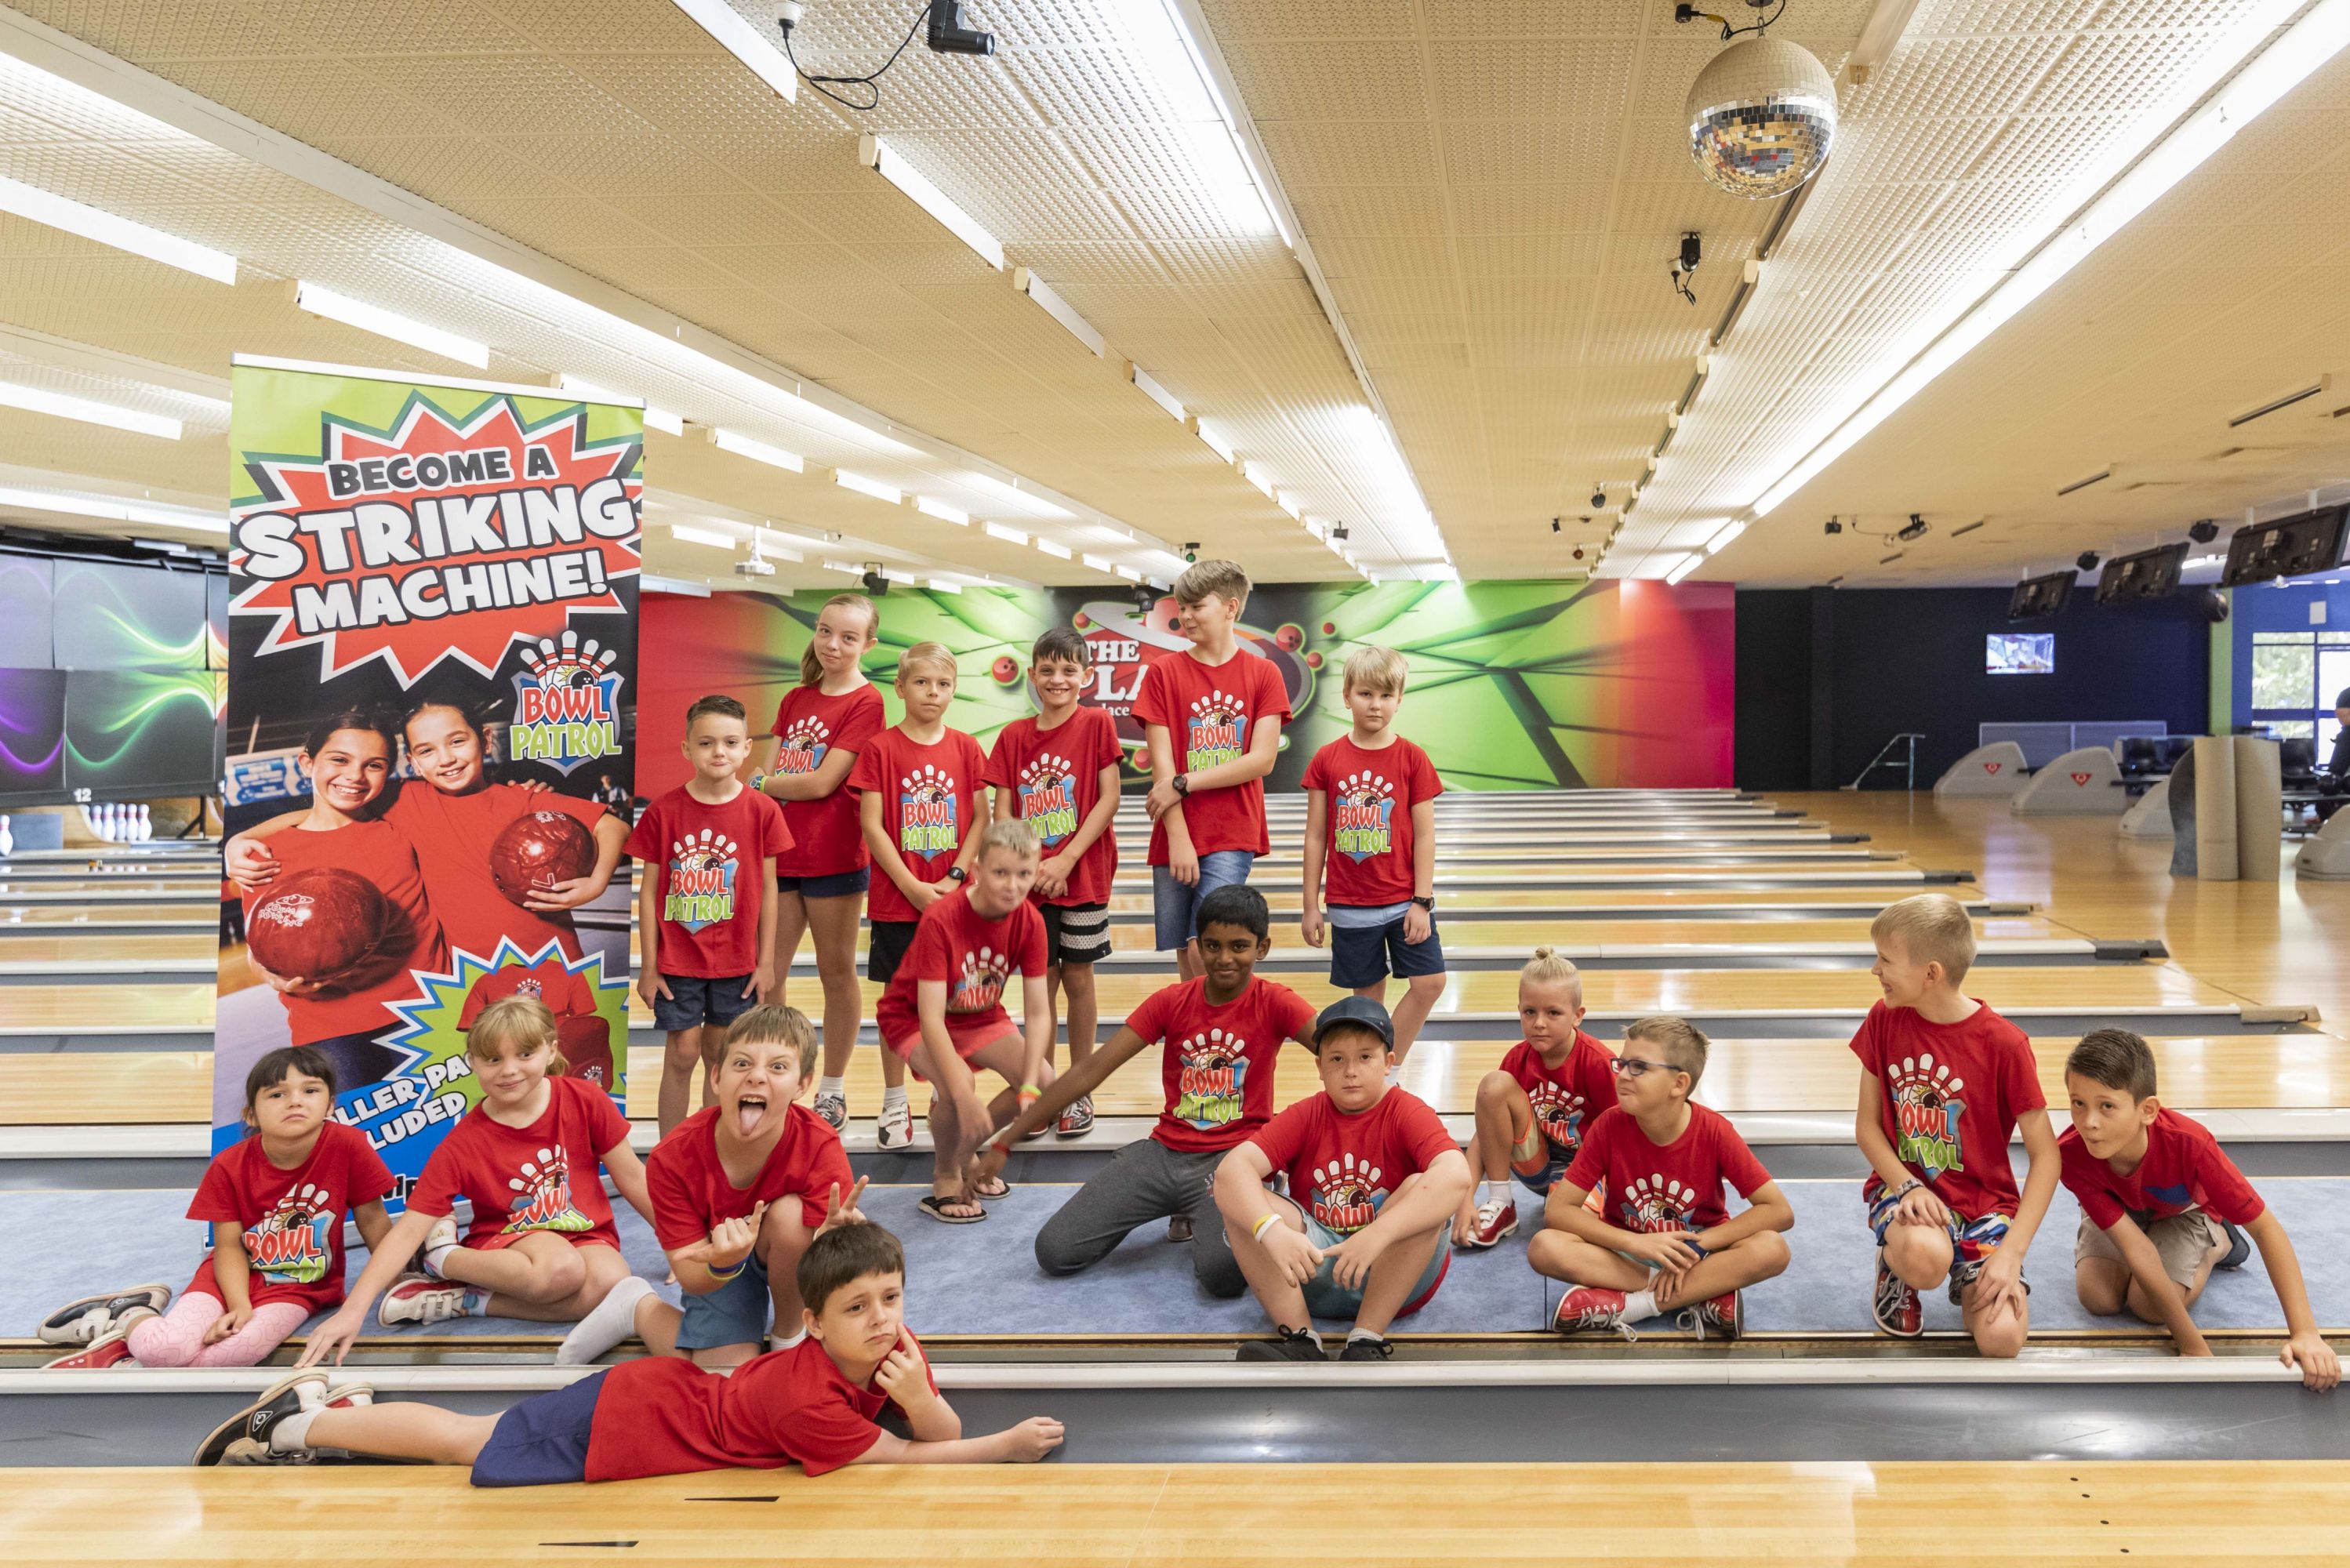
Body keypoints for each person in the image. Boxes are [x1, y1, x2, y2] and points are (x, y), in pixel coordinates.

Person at [194, 1222, 1066, 1475]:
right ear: (815, 1320)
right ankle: (292, 1423)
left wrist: (916, 1394)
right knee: (467, 1441)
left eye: (891, 1299)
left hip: (667, 1407)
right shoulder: (806, 1396)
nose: (881, 1319)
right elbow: (907, 1457)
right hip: (635, 1416)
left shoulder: (890, 1344)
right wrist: (1004, 1447)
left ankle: (328, 1414)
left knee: (471, 1438)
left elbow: (930, 1427)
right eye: (858, 1306)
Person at [975, 885, 1318, 1296]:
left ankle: (1232, 1203)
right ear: (1198, 946)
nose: (1224, 958)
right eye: (1212, 945)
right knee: (1054, 1252)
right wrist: (1007, 1140)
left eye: (1239, 947)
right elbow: (1092, 1070)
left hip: (1230, 1164)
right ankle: (1178, 1204)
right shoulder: (1171, 1001)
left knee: (1223, 1277)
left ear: (1262, 948)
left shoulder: (1275, 1002)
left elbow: (1338, 1052)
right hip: (1164, 1154)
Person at [295, 996, 656, 1365]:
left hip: (584, 1233)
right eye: (493, 1059)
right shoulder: (463, 1144)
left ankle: (463, 1300)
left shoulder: (586, 1100)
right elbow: (407, 1232)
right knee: (562, 1269)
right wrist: (353, 1310)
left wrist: (678, 1244)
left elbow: (632, 1177)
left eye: (525, 1054)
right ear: (473, 1062)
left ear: (551, 1050)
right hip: (509, 1239)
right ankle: (442, 1259)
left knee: (612, 1283)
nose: (509, 1070)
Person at [45, 1046, 394, 1370]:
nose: (295, 1102)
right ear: (251, 1115)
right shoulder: (229, 1164)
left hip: (298, 1286)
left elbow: (374, 1220)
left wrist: (400, 1283)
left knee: (231, 1355)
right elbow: (228, 1246)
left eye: (310, 1090)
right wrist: (239, 1304)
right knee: (164, 1351)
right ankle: (131, 1314)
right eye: (277, 1094)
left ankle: (132, 1358)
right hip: (226, 1276)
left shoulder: (348, 1145)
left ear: (330, 1105)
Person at [227, 699, 628, 967]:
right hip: (464, 976)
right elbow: (327, 808)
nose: (447, 759)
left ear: (485, 740)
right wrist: (239, 840)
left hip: (552, 958)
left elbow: (613, 825)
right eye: (427, 751)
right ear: (414, 762)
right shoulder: (404, 799)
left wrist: (595, 883)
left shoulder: (523, 799)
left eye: (457, 741)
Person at [565, 1005, 855, 1369]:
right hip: (715, 1264)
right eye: (742, 1063)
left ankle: (789, 1336)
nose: (756, 1077)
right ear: (716, 1078)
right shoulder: (673, 1158)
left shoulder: (820, 1145)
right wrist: (723, 1263)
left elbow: (849, 1270)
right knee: (723, 1378)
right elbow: (690, 1275)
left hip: (785, 1255)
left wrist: (831, 1244)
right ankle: (637, 1306)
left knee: (792, 1217)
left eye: (778, 1067)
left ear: (802, 1085)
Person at [2061, 1028, 2338, 1390]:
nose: (2089, 1122)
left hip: (2183, 1212)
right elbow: (2137, 1249)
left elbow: (2266, 1228)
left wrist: (2306, 1334)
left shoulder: (2191, 1145)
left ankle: (2217, 1242)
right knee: (2098, 1299)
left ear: (2147, 1110)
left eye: (2107, 1106)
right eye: (2078, 1103)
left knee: (2150, 1308)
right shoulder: (2070, 1153)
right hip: (2121, 1212)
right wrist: (2191, 1343)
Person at [1853, 892, 2058, 1356]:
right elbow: (1867, 1128)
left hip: (1986, 1208)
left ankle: (1970, 1272)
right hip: (1904, 1191)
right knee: (1926, 1259)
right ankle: (1896, 1265)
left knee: (2002, 1340)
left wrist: (2011, 1254)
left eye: (1885, 960)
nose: (1874, 969)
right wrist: (1907, 1186)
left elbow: (2047, 1157)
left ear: (1931, 974)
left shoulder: (2006, 1044)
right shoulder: (1883, 1019)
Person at [1213, 996, 1471, 1362]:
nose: (1351, 1071)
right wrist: (1270, 1230)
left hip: (1396, 1275)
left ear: (1388, 1063)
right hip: (1316, 1270)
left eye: (1365, 1057)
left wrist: (1377, 1234)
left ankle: (1366, 1339)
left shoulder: (1407, 1110)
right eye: (1337, 1059)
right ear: (1320, 1067)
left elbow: (1456, 1175)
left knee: (1423, 1188)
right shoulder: (1306, 1113)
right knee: (1243, 1205)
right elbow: (1230, 1173)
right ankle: (1301, 1340)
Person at [1530, 1016, 1792, 1340]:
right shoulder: (1608, 1126)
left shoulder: (1715, 1131)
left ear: (1679, 1084)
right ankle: (1703, 1292)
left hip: (1699, 1255)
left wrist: (1699, 1246)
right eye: (1622, 1064)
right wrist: (1635, 1242)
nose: (1623, 1075)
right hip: (1630, 1252)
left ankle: (1635, 1305)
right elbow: (1559, 1211)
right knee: (1544, 1247)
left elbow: (1778, 1211)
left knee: (1772, 1248)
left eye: (1639, 1067)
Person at [235, 710, 449, 1087]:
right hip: (330, 1027)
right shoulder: (263, 853)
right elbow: (259, 949)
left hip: (428, 1009)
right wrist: (276, 978)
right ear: (307, 763)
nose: (355, 776)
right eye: (340, 760)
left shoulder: (402, 825)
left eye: (374, 765)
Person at [876, 819, 1056, 1225]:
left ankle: (964, 1153)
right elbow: (930, 1017)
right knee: (957, 1085)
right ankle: (945, 1172)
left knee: (1045, 1082)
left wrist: (1028, 1085)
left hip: (980, 1014)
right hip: (911, 1016)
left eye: (1024, 874)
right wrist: (961, 1093)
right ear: (977, 870)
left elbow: (1038, 1012)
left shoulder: (1030, 922)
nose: (1012, 886)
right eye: (1001, 873)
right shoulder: (942, 918)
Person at [630, 694, 792, 1135]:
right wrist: (648, 966)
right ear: (687, 748)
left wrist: (766, 962)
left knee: (720, 1058)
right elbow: (649, 892)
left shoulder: (763, 811)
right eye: (706, 743)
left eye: (730, 742)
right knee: (681, 1053)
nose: (719, 752)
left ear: (746, 748)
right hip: (678, 960)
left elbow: (770, 891)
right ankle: (669, 1151)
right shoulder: (664, 811)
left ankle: (709, 1148)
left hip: (737, 961)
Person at [759, 593, 889, 1136]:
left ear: (868, 645)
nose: (833, 644)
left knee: (836, 973)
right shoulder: (795, 698)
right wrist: (764, 785)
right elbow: (768, 776)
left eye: (848, 637)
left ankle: (832, 1087)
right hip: (780, 853)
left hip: (833, 855)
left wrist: (763, 784)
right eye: (825, 631)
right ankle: (779, 1078)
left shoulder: (867, 702)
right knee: (769, 976)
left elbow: (819, 783)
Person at [986, 626, 1123, 1137]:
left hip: (1083, 876)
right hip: (1029, 885)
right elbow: (1002, 811)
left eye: (1068, 670)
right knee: (1039, 984)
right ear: (1032, 675)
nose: (1058, 679)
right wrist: (1029, 867)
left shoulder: (1096, 724)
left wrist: (1064, 860)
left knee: (1079, 978)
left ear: (1086, 676)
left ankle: (1079, 1086)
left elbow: (1108, 799)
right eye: (1047, 670)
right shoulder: (1013, 736)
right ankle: (1042, 1087)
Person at [852, 640, 987, 1150]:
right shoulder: (880, 749)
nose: (933, 692)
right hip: (896, 900)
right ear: (900, 687)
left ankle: (943, 1090)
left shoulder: (967, 748)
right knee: (896, 1003)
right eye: (922, 682)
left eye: (943, 684)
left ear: (953, 691)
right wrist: (911, 886)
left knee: (952, 998)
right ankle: (894, 1101)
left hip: (955, 901)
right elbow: (872, 825)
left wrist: (955, 877)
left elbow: (980, 820)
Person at [1135, 559, 1290, 982]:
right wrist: (1178, 836)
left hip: (1233, 830)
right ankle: (1196, 1025)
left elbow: (1262, 759)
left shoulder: (1264, 674)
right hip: (1177, 829)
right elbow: (1162, 768)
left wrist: (1185, 783)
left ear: (1230, 608)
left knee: (1206, 947)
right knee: (1186, 955)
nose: (1185, 616)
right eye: (1181, 608)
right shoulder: (1163, 673)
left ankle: (1225, 1023)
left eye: (1196, 606)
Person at [1301, 645, 1444, 1070]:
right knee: (1367, 1002)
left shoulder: (1412, 757)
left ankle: (1387, 1066)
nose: (1376, 704)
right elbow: (1315, 837)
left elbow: (1425, 835)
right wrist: (1310, 906)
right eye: (1365, 694)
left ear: (1399, 700)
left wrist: (1422, 901)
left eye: (1385, 695)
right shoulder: (1327, 759)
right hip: (1350, 905)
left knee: (1430, 982)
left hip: (1404, 901)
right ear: (1347, 696)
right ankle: (1373, 1076)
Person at [1455, 948, 1616, 1249]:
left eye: (1553, 1013)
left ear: (1578, 1016)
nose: (1539, 1022)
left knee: (1559, 1229)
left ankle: (1578, 1205)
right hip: (1537, 1163)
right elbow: (1484, 1134)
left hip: (1587, 1169)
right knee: (1494, 1085)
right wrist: (1464, 1201)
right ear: (1519, 1010)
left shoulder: (1598, 1063)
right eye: (1530, 1012)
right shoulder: (1517, 1060)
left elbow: (1627, 1136)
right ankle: (1502, 1202)